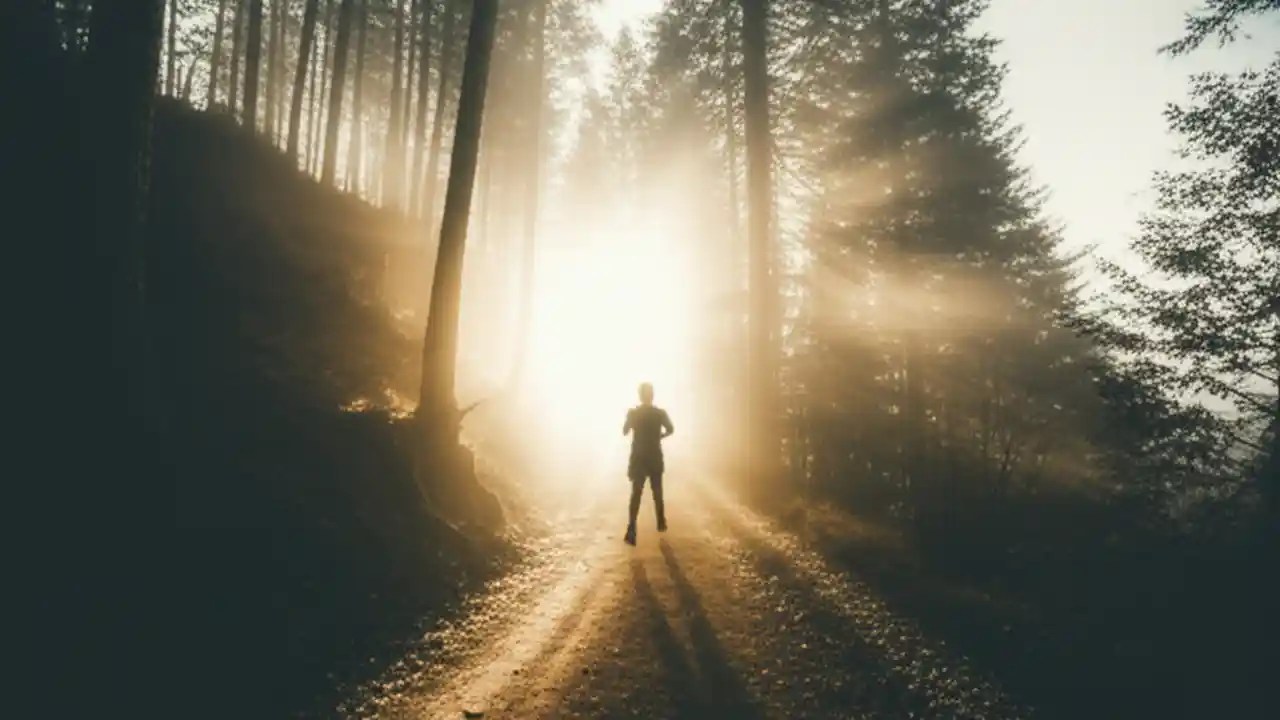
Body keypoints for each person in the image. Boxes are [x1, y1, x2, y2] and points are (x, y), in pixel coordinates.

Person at [622, 382, 673, 545]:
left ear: (640, 395)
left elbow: (624, 431)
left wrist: (630, 420)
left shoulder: (634, 413)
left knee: (636, 493)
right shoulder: (660, 413)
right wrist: (660, 437)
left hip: (638, 457)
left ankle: (631, 528)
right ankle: (661, 521)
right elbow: (671, 429)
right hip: (655, 456)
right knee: (657, 491)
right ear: (652, 395)